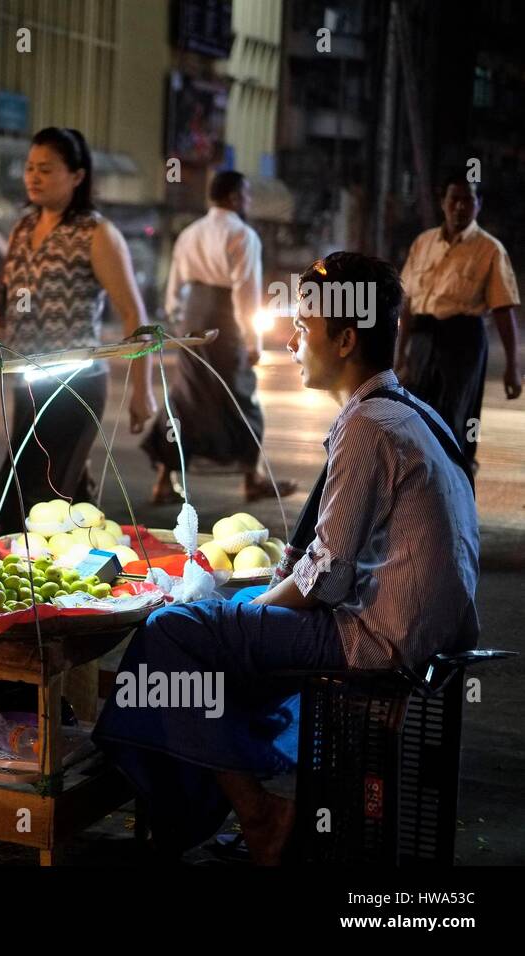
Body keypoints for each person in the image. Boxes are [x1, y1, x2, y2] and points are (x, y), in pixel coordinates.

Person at [95, 252, 479, 864]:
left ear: (346, 338)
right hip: (412, 626)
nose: (292, 339)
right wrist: (248, 608)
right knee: (226, 614)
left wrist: (247, 614)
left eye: (304, 326)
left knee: (170, 634)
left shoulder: (369, 427)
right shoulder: (410, 411)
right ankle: (240, 797)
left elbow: (323, 579)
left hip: (374, 639)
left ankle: (259, 816)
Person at [0, 126, 158, 536]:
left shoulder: (96, 234)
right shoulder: (22, 229)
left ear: (77, 176)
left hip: (76, 387)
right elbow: (2, 312)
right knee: (62, 495)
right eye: (30, 167)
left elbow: (134, 314)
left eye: (46, 169)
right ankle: (97, 567)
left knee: (29, 503)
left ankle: (17, 582)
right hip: (27, 382)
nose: (33, 176)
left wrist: (142, 388)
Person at [140, 170, 296, 504]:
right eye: (247, 195)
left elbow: (174, 285)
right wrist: (253, 342)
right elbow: (245, 293)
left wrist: (174, 317)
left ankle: (164, 481)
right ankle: (251, 477)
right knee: (240, 397)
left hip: (192, 320)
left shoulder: (190, 233)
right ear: (234, 198)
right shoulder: (243, 235)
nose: (249, 202)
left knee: (184, 397)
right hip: (223, 324)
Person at [396, 175, 521, 467]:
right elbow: (407, 305)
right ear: (443, 203)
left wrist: (513, 368)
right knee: (412, 416)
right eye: (455, 199)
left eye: (469, 200)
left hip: (462, 341)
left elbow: (504, 309)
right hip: (422, 339)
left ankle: (455, 484)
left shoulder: (489, 249)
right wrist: (400, 355)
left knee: (454, 420)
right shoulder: (423, 243)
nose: (460, 206)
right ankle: (414, 492)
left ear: (478, 205)